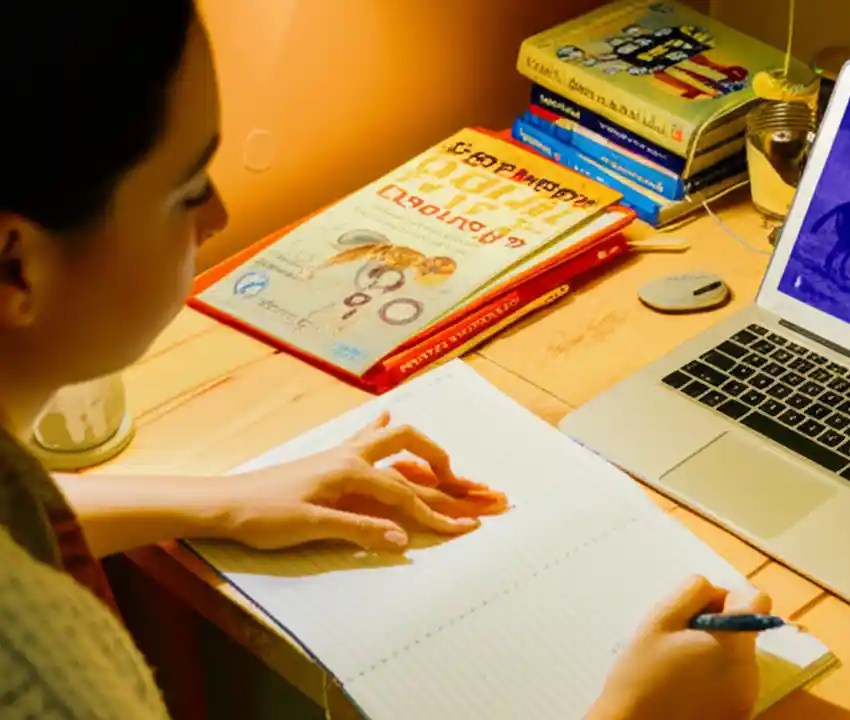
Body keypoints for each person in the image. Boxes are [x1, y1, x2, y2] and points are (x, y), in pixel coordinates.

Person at [0, 4, 770, 719]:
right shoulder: (45, 674)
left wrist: (219, 501)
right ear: (16, 265)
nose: (220, 218)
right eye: (188, 188)